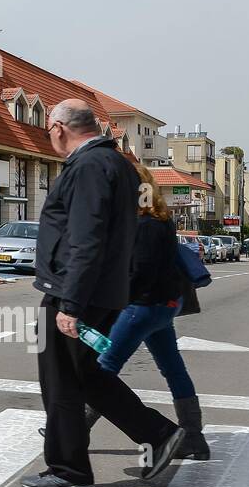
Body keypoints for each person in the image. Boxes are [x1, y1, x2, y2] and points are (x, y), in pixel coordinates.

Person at [24, 99, 185, 487]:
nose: (51, 138)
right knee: (88, 378)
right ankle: (158, 433)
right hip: (100, 291)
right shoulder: (117, 165)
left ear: (59, 128)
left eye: (49, 130)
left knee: (61, 383)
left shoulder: (89, 166)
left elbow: (86, 238)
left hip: (76, 292)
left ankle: (69, 471)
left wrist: (70, 305)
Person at [89, 163, 208, 459]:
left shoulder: (142, 224)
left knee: (102, 369)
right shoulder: (163, 219)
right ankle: (194, 436)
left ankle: (74, 426)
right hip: (164, 306)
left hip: (141, 306)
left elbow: (139, 272)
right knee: (173, 368)